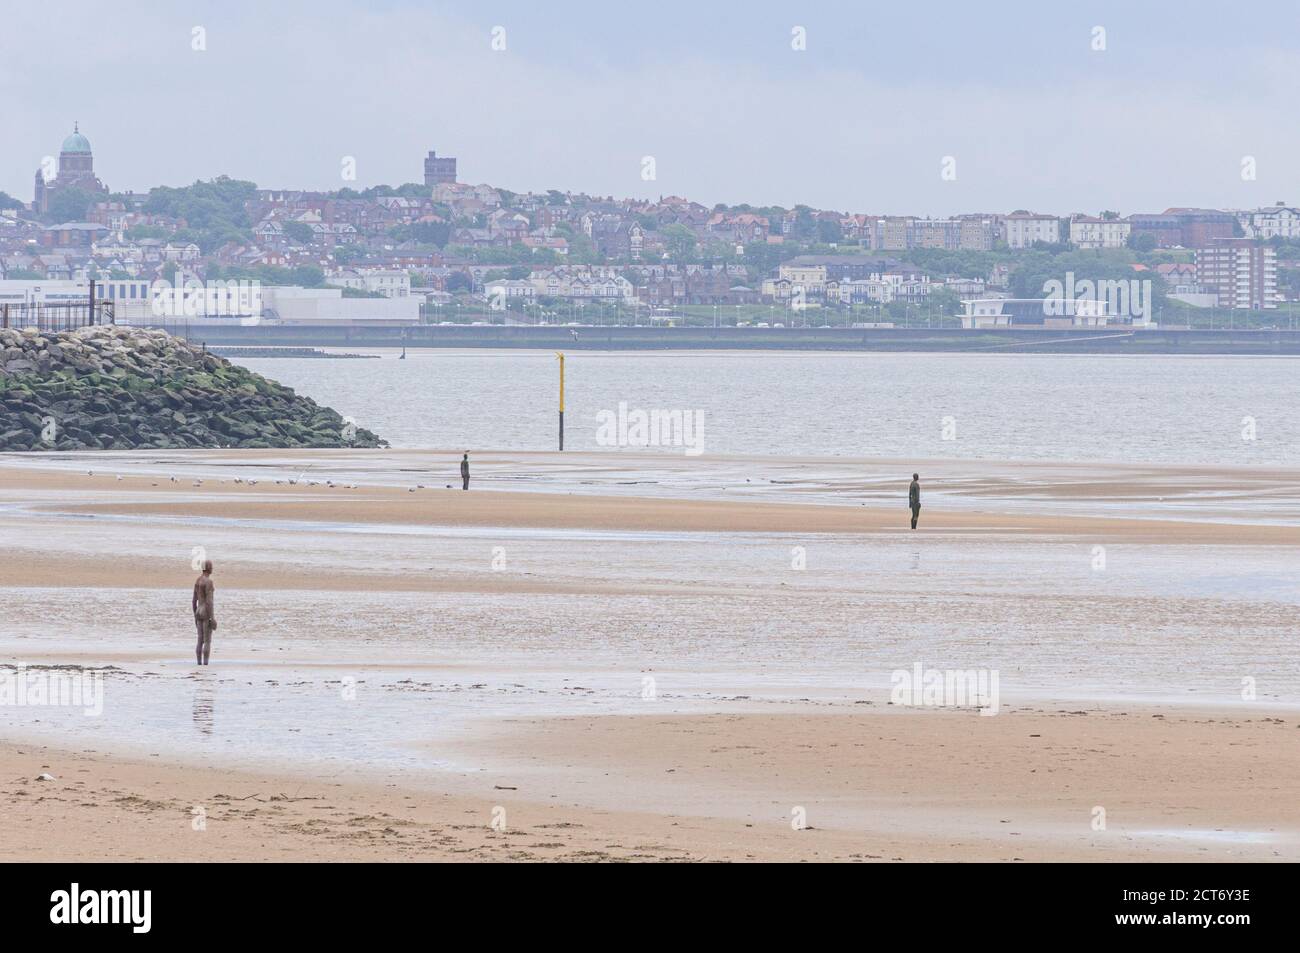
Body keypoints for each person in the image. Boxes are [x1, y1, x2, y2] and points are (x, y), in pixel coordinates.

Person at [192, 559, 216, 665]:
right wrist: (212, 618)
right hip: (205, 612)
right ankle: (205, 664)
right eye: (212, 567)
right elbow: (209, 602)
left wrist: (195, 615)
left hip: (198, 611)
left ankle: (198, 663)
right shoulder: (209, 582)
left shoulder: (197, 581)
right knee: (207, 641)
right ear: (209, 568)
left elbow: (193, 600)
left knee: (199, 640)